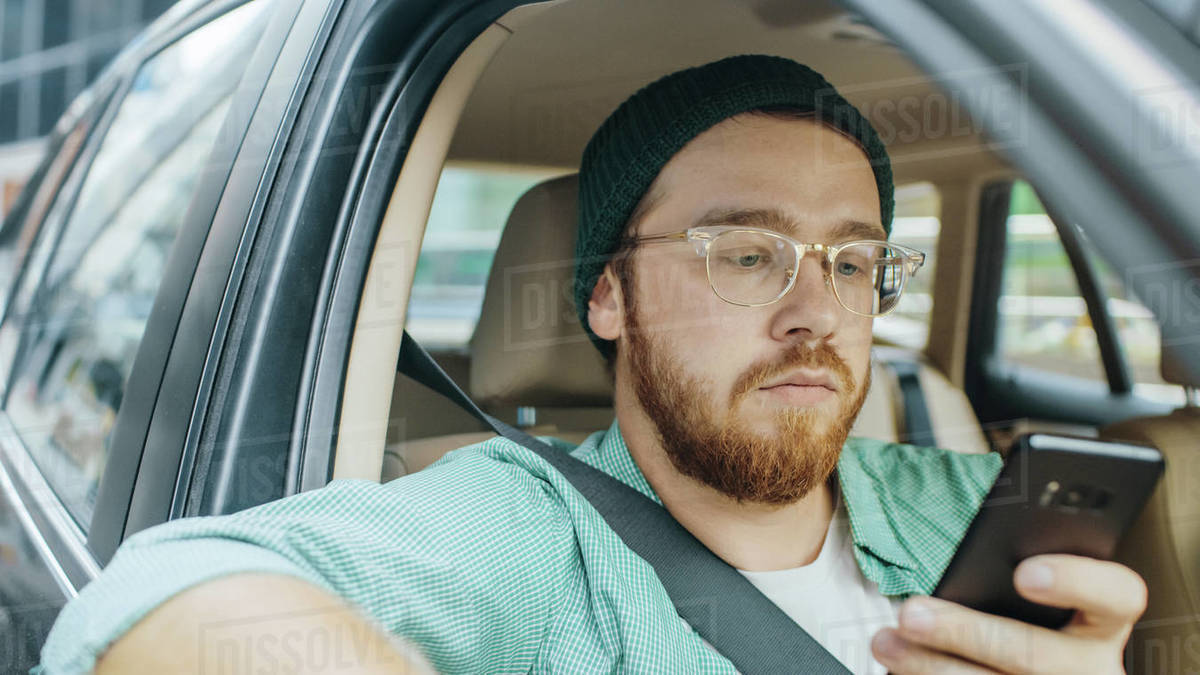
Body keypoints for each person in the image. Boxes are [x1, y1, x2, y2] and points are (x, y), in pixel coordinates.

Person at [36, 55, 1146, 675]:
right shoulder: (521, 531)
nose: (819, 312)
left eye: (854, 263)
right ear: (607, 295)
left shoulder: (981, 505)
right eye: (748, 254)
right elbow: (169, 590)